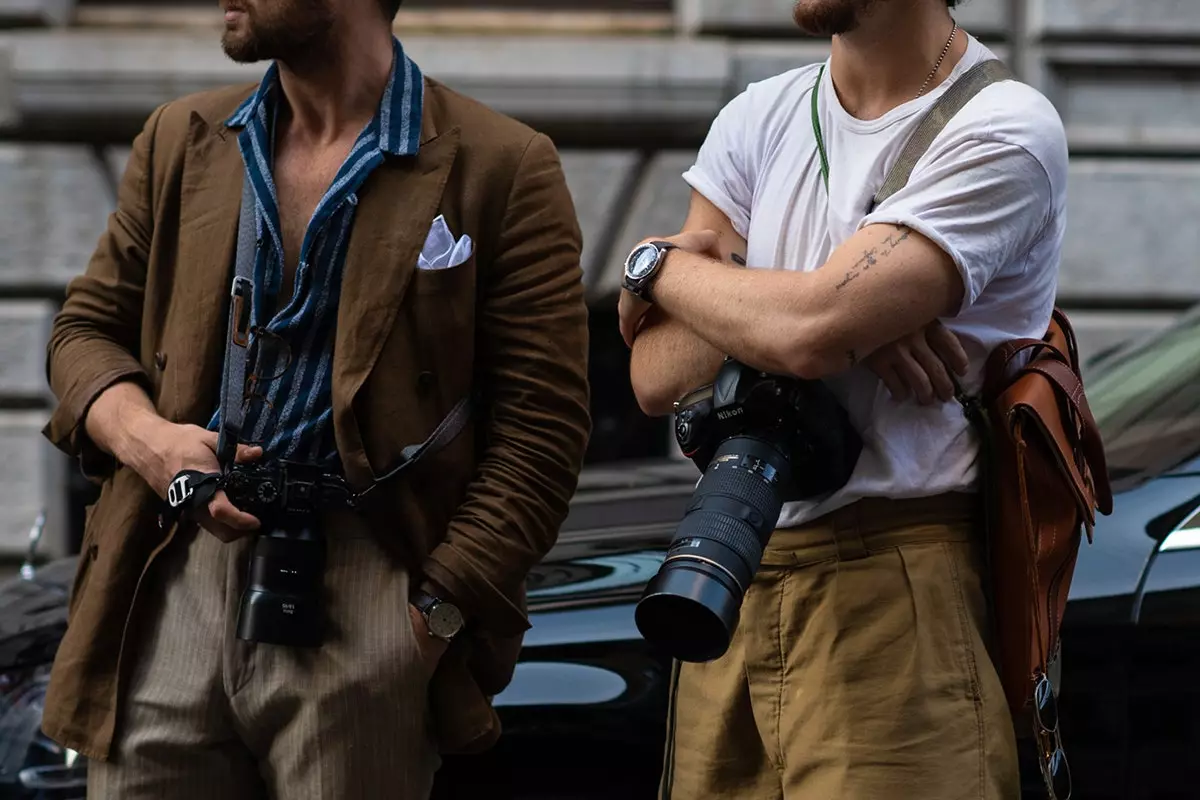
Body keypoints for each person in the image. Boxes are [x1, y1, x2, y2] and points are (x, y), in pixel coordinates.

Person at [40, 0, 591, 796]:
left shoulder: (502, 164)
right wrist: (147, 440)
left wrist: (432, 616)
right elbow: (83, 331)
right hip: (172, 574)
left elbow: (541, 429)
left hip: (368, 579)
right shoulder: (181, 138)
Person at [619, 0, 1068, 797]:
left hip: (895, 588)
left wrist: (656, 265)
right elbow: (655, 375)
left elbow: (809, 334)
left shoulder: (1003, 126)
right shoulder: (759, 115)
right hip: (729, 574)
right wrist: (826, 307)